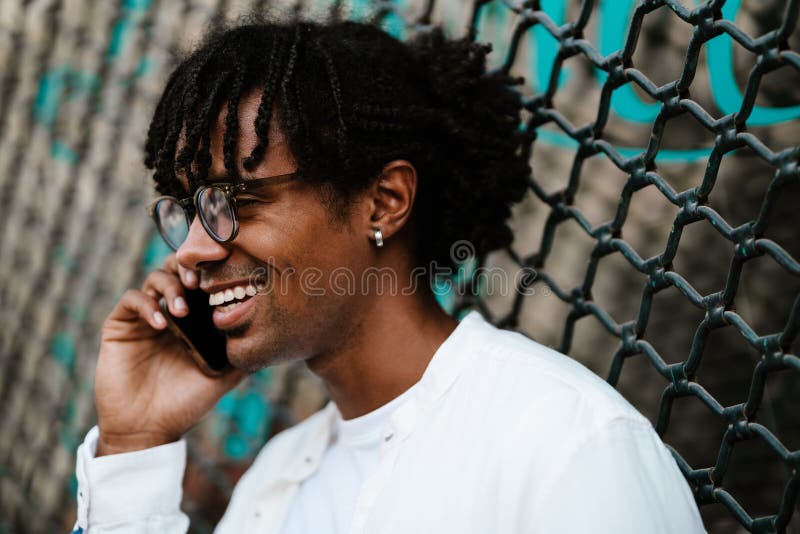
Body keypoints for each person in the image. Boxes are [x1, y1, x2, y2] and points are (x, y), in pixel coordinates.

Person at [71, 18, 705, 534]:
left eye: (236, 201)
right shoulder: (278, 480)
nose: (190, 252)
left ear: (384, 202)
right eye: (190, 211)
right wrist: (135, 443)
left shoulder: (568, 446)